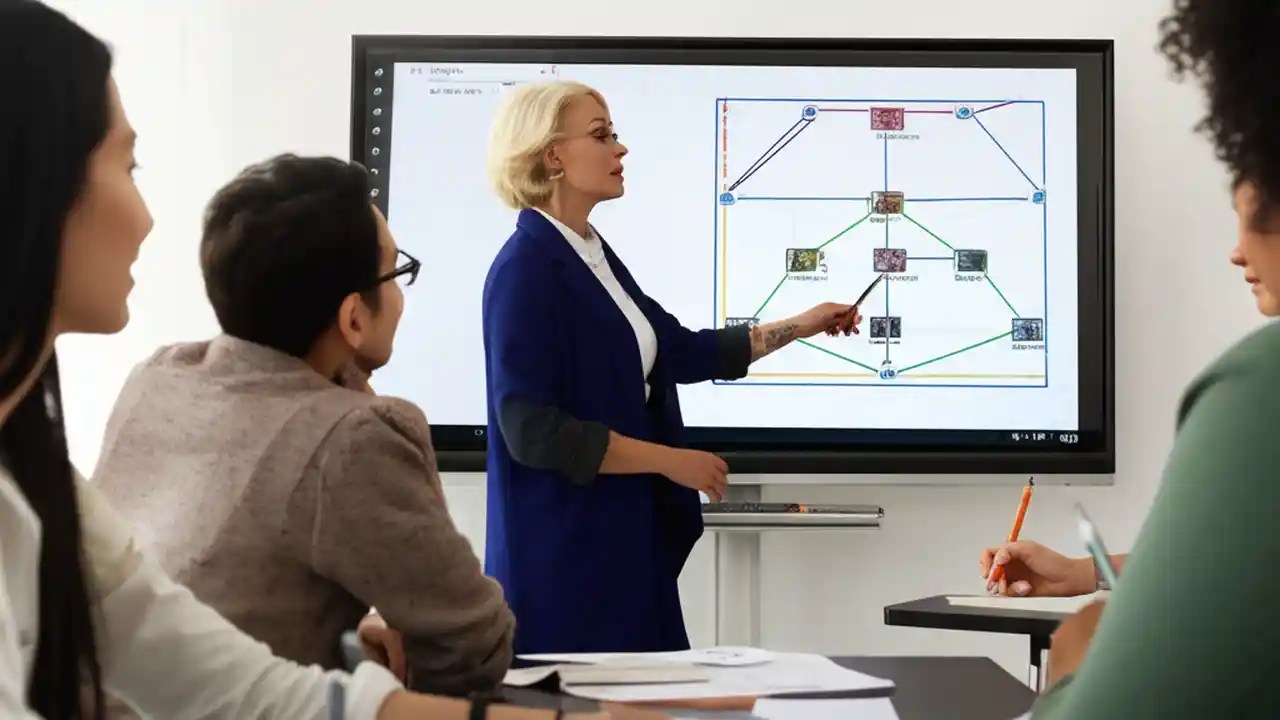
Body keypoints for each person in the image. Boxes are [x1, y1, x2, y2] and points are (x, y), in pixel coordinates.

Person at [0, 3, 654, 719]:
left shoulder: (149, 384)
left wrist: (345, 655)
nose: (151, 216)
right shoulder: (359, 429)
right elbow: (471, 645)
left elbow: (211, 670)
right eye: (128, 165)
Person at [91, 153, 515, 699]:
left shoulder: (159, 377)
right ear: (354, 319)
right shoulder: (354, 436)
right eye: (396, 271)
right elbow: (474, 648)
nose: (402, 293)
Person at [481, 80, 863, 654]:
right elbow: (532, 431)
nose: (621, 149)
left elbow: (679, 350)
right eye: (602, 135)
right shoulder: (524, 271)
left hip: (623, 545)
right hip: (566, 561)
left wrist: (803, 324)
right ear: (552, 154)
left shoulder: (590, 253)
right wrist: (669, 462)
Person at [1024, 0, 1280, 715]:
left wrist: (1073, 669)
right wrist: (1088, 573)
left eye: (1248, 199)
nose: (1237, 247)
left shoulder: (1264, 390)